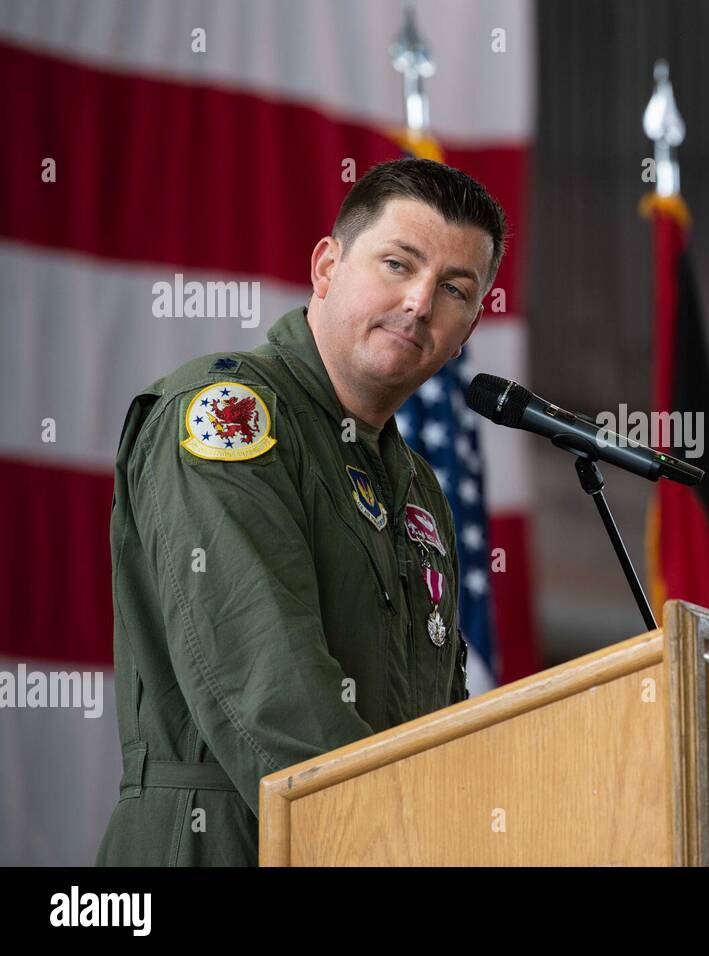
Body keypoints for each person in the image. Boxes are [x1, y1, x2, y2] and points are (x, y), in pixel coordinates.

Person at [95, 158, 506, 865]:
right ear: (326, 267)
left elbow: (443, 718)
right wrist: (390, 846)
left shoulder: (418, 490)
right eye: (397, 264)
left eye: (454, 290)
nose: (418, 302)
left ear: (467, 329)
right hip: (223, 842)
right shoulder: (229, 416)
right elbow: (266, 688)